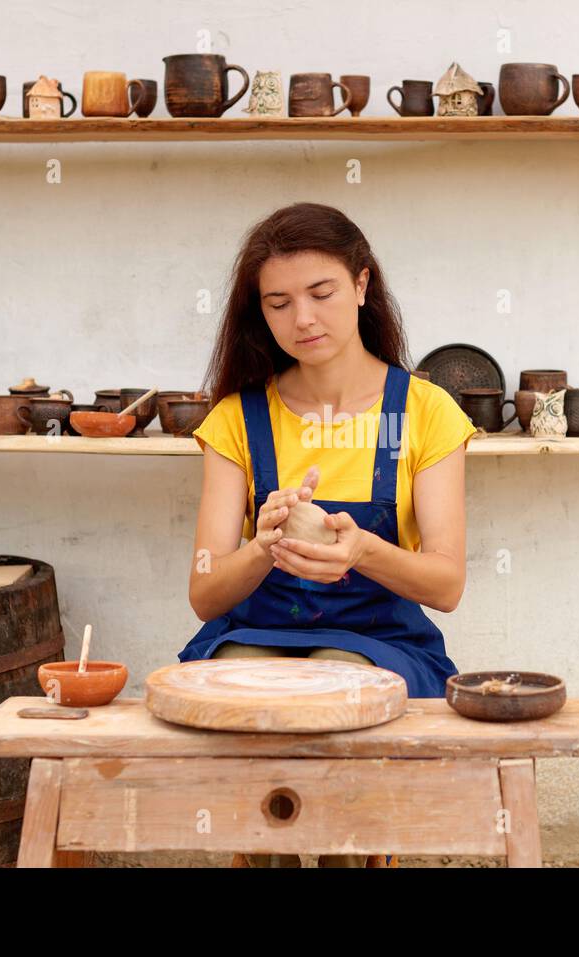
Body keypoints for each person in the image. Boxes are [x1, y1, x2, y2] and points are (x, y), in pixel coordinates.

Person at [181, 201, 478, 867]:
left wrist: (363, 549)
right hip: (256, 632)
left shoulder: (425, 412)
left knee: (334, 688)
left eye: (321, 293)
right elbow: (205, 593)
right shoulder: (236, 418)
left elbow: (448, 582)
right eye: (278, 303)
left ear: (362, 286)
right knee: (240, 692)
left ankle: (356, 853)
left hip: (380, 641)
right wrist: (262, 545)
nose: (303, 319)